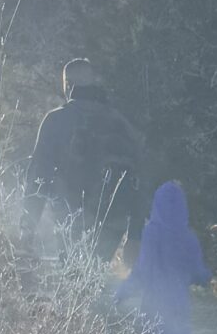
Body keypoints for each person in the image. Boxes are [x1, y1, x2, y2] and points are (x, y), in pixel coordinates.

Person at [26, 58, 142, 254]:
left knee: (72, 276)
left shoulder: (57, 119)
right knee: (96, 277)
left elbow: (39, 172)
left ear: (68, 86)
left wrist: (28, 225)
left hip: (71, 218)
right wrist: (135, 235)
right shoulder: (119, 121)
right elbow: (137, 178)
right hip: (112, 222)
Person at [117, 179, 210, 334]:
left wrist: (122, 292)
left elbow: (142, 271)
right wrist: (205, 277)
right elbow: (198, 272)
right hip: (178, 308)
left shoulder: (152, 234)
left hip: (153, 308)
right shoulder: (188, 237)